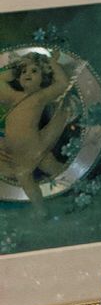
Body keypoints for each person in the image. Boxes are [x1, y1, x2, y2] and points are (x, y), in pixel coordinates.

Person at [0, 51, 74, 205]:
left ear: (43, 78)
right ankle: (48, 207)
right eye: (24, 72)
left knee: (36, 173)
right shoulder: (14, 97)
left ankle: (69, 194)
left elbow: (62, 84)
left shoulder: (41, 96)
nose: (27, 74)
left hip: (34, 147)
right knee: (39, 174)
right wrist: (15, 68)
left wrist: (52, 63)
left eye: (34, 71)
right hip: (16, 151)